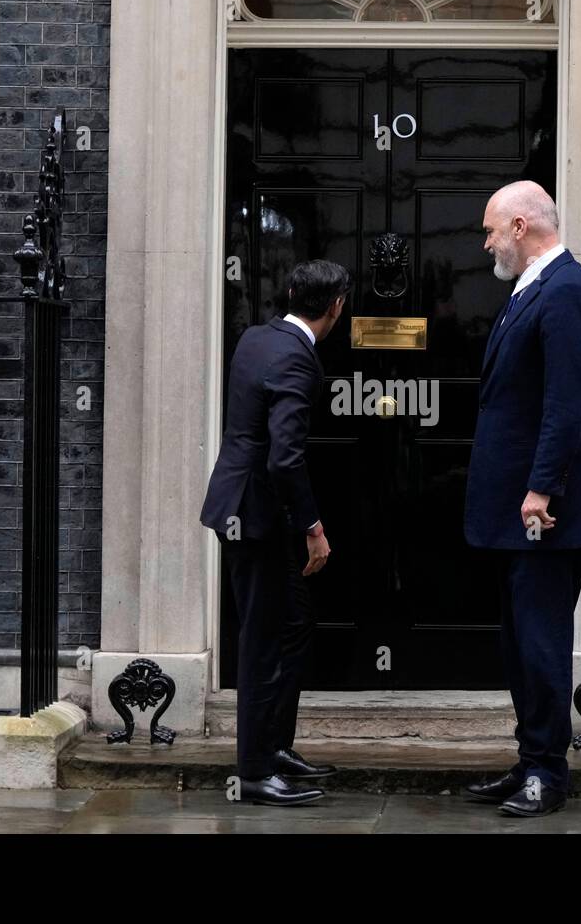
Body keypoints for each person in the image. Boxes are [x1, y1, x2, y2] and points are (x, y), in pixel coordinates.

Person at [463, 181, 581, 817]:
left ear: (523, 224)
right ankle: (530, 758)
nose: (487, 243)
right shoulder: (534, 290)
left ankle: (548, 773)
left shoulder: (566, 295)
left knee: (541, 637)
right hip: (521, 507)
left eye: (492, 230)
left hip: (549, 508)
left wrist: (539, 488)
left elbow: (568, 403)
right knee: (519, 638)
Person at [200, 259, 350, 806]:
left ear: (290, 293)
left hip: (247, 506)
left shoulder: (256, 339)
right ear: (336, 308)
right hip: (257, 515)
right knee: (263, 642)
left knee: (293, 622)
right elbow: (285, 460)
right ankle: (255, 771)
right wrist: (313, 526)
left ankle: (276, 746)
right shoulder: (297, 360)